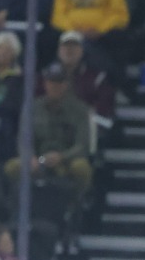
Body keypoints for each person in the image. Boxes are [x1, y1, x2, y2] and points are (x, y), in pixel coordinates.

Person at [7, 63, 94, 197]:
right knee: (12, 167)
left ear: (66, 85)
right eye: (51, 82)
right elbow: (23, 139)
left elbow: (82, 145)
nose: (55, 86)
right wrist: (31, 157)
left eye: (59, 83)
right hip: (40, 158)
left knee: (81, 167)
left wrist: (62, 157)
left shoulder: (80, 110)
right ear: (45, 84)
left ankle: (77, 203)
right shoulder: (32, 108)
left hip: (67, 159)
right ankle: (19, 202)